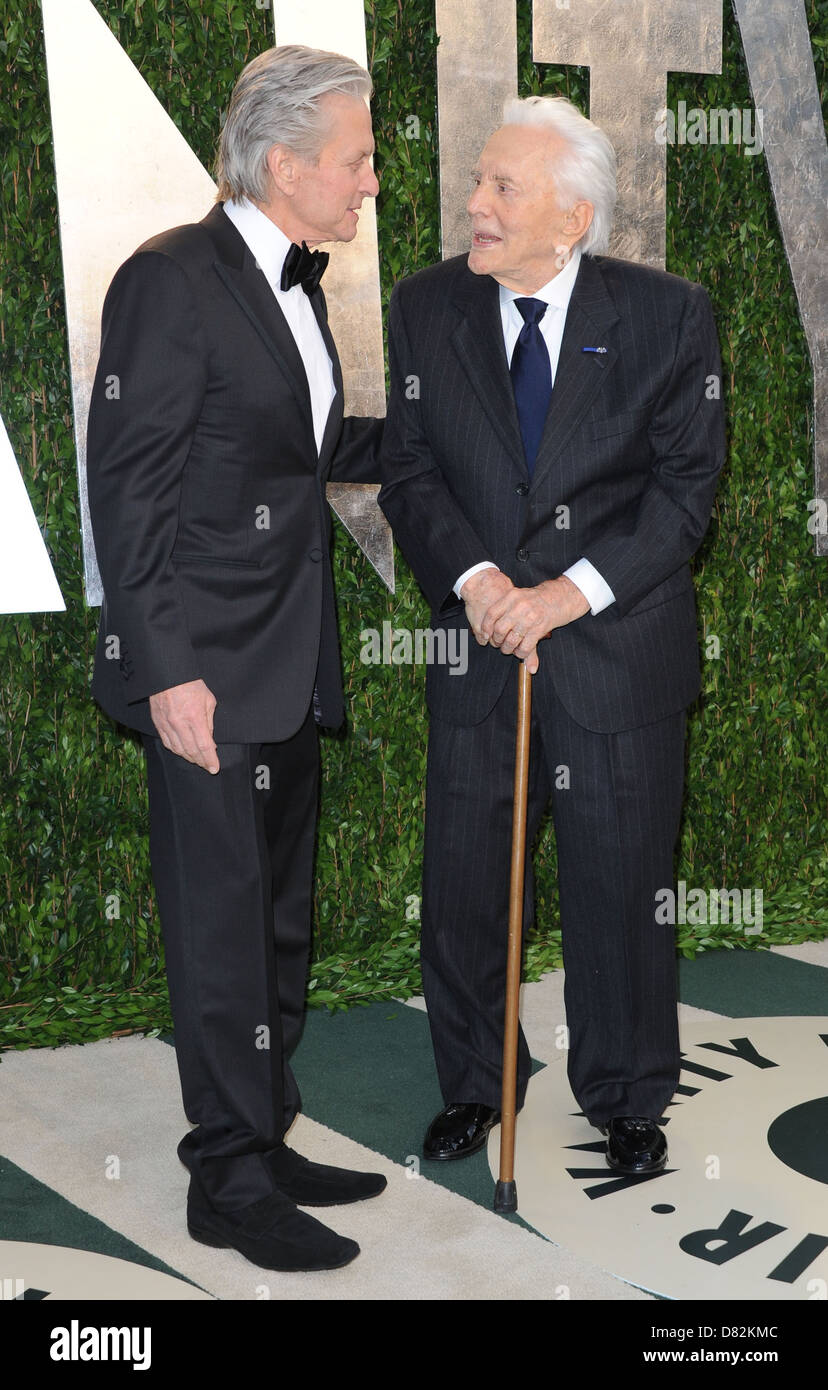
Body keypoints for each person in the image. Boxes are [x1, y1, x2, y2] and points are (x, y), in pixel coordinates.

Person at [379, 95, 725, 1176]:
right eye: (479, 182)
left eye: (500, 188)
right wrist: (483, 583)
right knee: (468, 886)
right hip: (481, 651)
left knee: (622, 885)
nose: (473, 205)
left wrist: (566, 594)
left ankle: (628, 1094)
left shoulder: (669, 318)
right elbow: (411, 472)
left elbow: (685, 494)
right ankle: (477, 1084)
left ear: (572, 216)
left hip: (617, 656)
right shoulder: (427, 307)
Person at [86, 45, 386, 1272]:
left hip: (285, 657)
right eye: (358, 160)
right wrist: (168, 671)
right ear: (283, 164)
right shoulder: (172, 281)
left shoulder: (290, 283)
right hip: (204, 669)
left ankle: (265, 1126)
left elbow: (291, 451)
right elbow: (130, 488)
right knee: (220, 931)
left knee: (274, 922)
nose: (373, 181)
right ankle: (227, 1178)